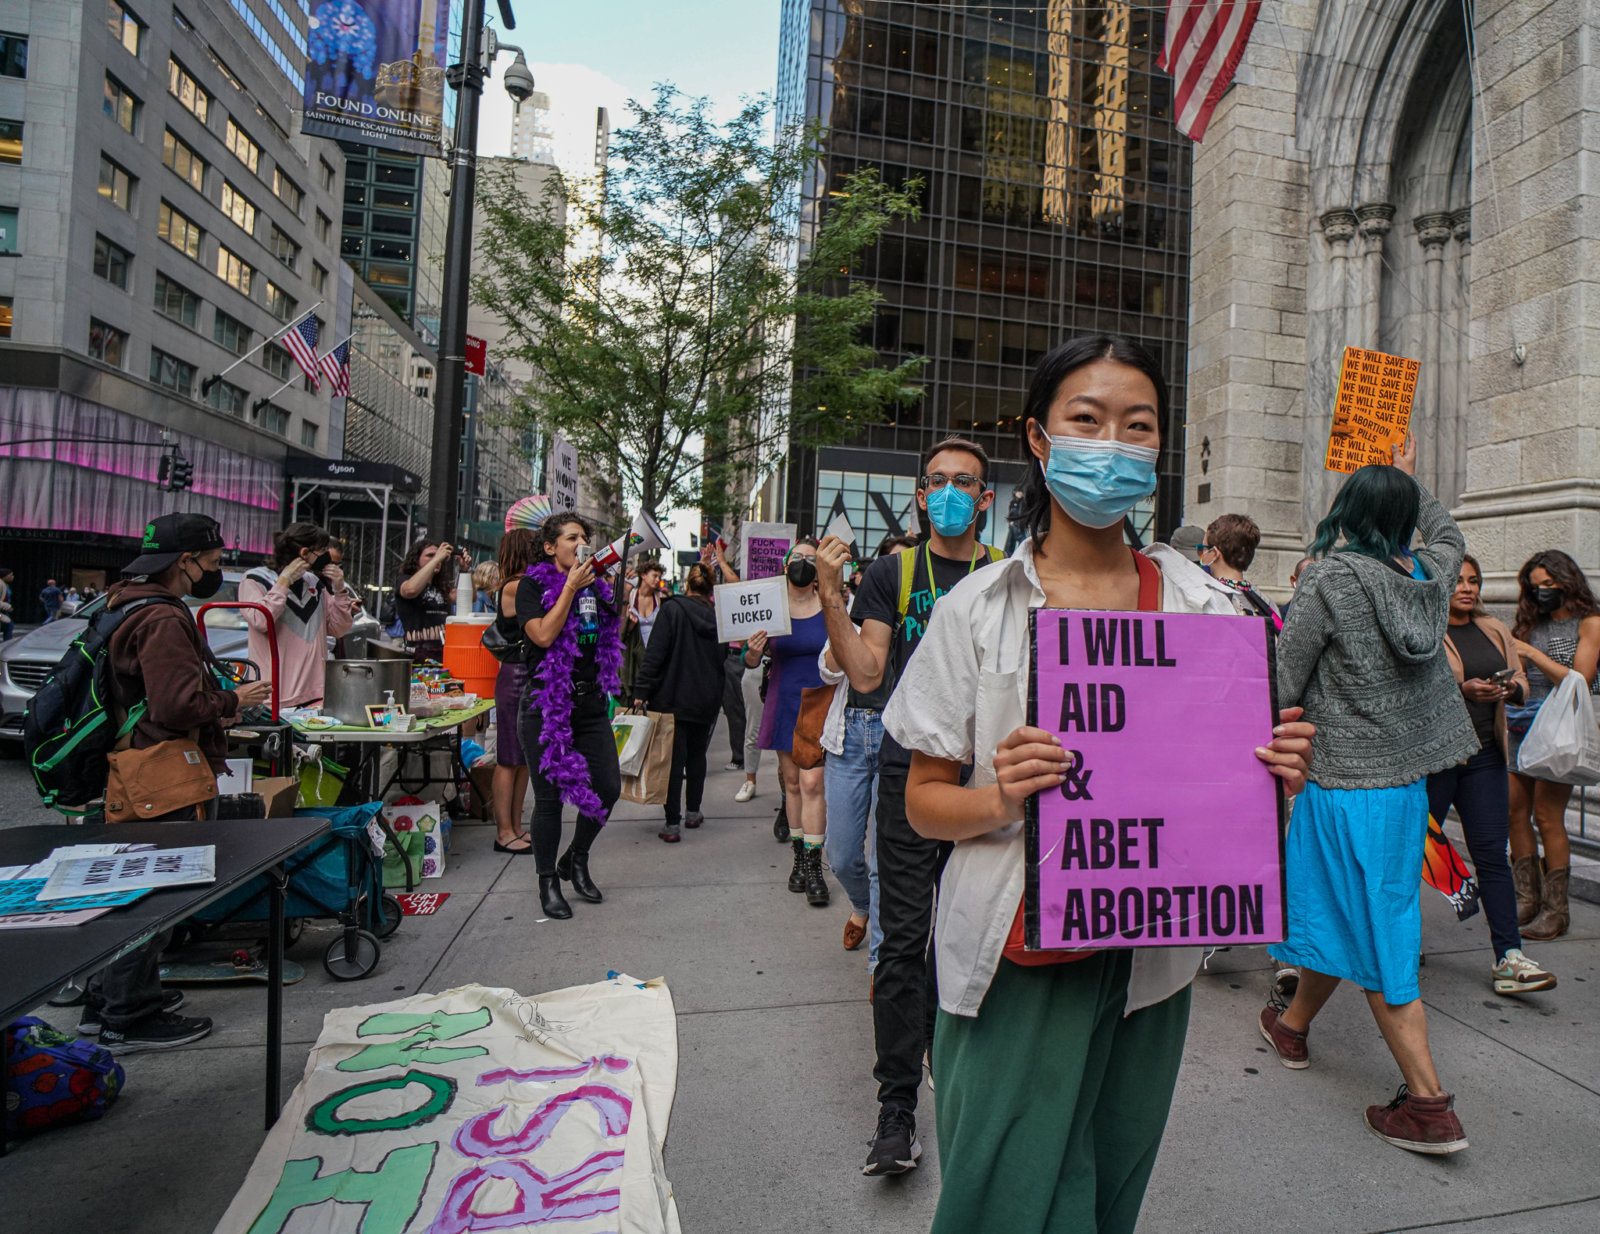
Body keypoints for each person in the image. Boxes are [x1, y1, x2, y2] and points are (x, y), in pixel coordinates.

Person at [880, 338, 1312, 1226]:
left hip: (1150, 965)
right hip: (1019, 959)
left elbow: (1229, 798)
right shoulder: (978, 609)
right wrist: (1001, 798)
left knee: (1110, 1193)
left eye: (1138, 425)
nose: (1112, 444)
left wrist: (1276, 778)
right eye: (1088, 420)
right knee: (998, 1201)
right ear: (1040, 440)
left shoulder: (1210, 610)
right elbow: (924, 800)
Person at [1261, 437, 1478, 1155]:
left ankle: (1428, 1103)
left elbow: (1284, 681)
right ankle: (1291, 1027)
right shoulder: (1433, 575)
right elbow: (1449, 536)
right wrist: (1414, 484)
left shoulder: (1329, 579)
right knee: (1338, 910)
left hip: (1340, 785)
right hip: (1406, 787)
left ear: (1346, 511)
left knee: (1383, 935)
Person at [815, 435, 1006, 1178]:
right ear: (920, 495)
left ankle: (971, 1078)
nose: (952, 491)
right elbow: (866, 673)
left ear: (986, 499)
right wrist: (832, 589)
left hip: (989, 787)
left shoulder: (1009, 574)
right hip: (907, 781)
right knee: (902, 943)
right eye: (939, 481)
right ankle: (896, 1111)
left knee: (977, 935)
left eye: (967, 482)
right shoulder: (894, 573)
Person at [84, 514, 273, 1052]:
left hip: (136, 767)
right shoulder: (163, 619)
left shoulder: (123, 602)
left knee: (132, 892)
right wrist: (234, 700)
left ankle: (111, 1001)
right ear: (182, 563)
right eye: (211, 564)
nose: (213, 573)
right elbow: (176, 705)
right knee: (155, 897)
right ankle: (129, 1015)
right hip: (160, 773)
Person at [1429, 554, 1555, 992]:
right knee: (1411, 856)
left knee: (1492, 858)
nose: (1467, 588)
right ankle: (1398, 944)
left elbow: (1520, 678)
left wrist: (1510, 687)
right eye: (1458, 581)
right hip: (1435, 761)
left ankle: (1509, 957)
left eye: (1474, 581)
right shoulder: (1426, 630)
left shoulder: (1495, 629)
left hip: (1484, 757)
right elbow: (1412, 692)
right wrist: (1460, 690)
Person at [517, 512, 622, 919]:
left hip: (590, 706)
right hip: (547, 707)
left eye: (585, 538)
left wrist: (614, 593)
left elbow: (608, 639)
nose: (581, 544)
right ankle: (548, 882)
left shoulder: (593, 588)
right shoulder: (531, 585)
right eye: (572, 537)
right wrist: (570, 589)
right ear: (550, 547)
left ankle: (576, 858)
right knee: (548, 801)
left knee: (608, 789)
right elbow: (543, 634)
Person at [819, 534, 918, 966]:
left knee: (883, 861)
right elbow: (826, 670)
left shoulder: (927, 617)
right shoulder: (858, 613)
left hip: (900, 737)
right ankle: (860, 905)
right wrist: (849, 625)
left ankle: (881, 963)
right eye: (891, 568)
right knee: (841, 854)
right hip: (851, 736)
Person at [1506, 549, 1600, 940]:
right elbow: (1520, 672)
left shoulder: (1590, 622)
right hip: (1521, 724)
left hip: (1561, 730)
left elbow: (1580, 677)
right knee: (1514, 812)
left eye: (1549, 584)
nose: (1542, 591)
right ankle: (1526, 898)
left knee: (1547, 816)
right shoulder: (1531, 623)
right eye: (1535, 585)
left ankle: (1555, 910)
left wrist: (1530, 653)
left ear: (1567, 581)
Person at [747, 538, 830, 904]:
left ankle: (815, 867)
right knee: (793, 785)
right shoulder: (769, 609)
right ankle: (798, 861)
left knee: (814, 784)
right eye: (797, 557)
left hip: (821, 704)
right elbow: (750, 663)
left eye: (811, 559)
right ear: (785, 565)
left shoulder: (831, 606)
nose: (803, 563)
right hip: (784, 701)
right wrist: (751, 652)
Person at [633, 563, 724, 842]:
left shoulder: (671, 610)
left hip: (672, 695)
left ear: (687, 584)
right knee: (697, 756)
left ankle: (672, 824)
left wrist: (642, 689)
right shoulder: (719, 616)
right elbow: (721, 657)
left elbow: (655, 654)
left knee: (673, 761)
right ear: (710, 588)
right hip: (706, 697)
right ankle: (693, 812)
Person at [239, 523, 358, 709]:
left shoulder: (314, 582)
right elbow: (261, 621)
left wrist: (340, 589)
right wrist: (283, 583)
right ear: (304, 553)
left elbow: (337, 629)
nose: (326, 555)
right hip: (272, 696)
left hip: (315, 695)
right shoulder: (255, 579)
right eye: (322, 550)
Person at [490, 529, 538, 856]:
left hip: (527, 673)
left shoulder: (525, 583)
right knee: (508, 757)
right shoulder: (515, 587)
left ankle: (516, 826)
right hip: (516, 675)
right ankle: (503, 831)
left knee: (523, 759)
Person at [1200, 513, 1283, 627]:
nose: (1201, 554)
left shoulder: (1204, 598)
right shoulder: (1266, 602)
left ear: (1214, 553)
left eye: (1203, 549)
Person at [396, 538, 464, 661]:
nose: (436, 559)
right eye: (430, 555)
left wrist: (465, 571)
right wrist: (437, 558)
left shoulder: (441, 586)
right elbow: (410, 590)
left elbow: (468, 598)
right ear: (416, 560)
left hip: (443, 652)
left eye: (437, 555)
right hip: (417, 653)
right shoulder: (405, 579)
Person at [622, 559, 665, 697]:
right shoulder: (631, 595)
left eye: (659, 577)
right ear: (643, 575)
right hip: (634, 651)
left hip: (653, 652)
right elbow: (622, 630)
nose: (657, 580)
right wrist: (630, 624)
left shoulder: (659, 598)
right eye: (655, 575)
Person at [0, 565, 13, 641]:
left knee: (8, 625)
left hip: (3, 610)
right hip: (2, 609)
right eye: (10, 575)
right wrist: (7, 607)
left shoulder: (5, 584)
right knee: (9, 625)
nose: (12, 577)